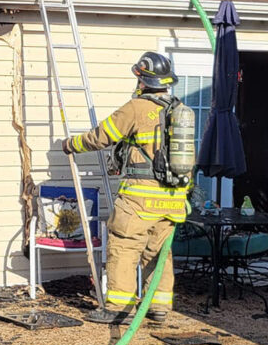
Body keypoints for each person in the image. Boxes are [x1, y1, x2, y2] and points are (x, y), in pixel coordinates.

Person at [61, 52, 189, 325]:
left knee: (124, 247)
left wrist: (71, 144)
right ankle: (159, 307)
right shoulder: (178, 108)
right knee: (159, 252)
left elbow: (101, 136)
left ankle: (118, 307)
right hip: (173, 198)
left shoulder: (137, 108)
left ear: (142, 79)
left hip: (140, 198)